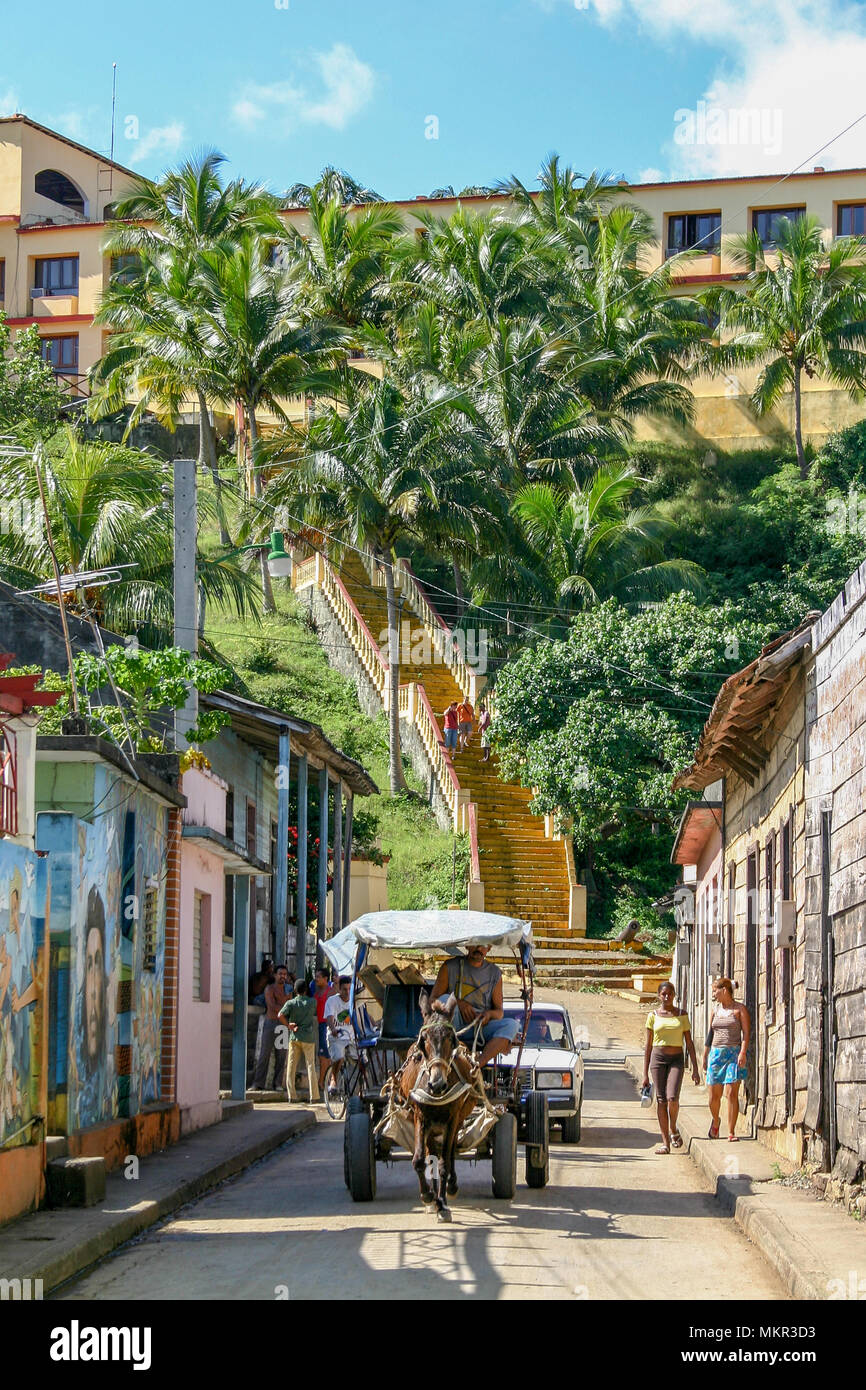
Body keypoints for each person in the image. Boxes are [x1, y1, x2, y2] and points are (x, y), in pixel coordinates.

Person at [429, 942, 518, 1067]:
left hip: (479, 1029)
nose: (479, 948)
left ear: (489, 948)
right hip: (451, 1027)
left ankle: (476, 1064)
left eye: (483, 945)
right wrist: (458, 1003)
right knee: (444, 999)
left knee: (512, 1025)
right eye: (475, 944)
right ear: (467, 945)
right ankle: (447, 1052)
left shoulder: (495, 973)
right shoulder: (450, 967)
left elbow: (499, 1013)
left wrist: (488, 1015)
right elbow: (433, 999)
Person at [642, 981, 700, 1154]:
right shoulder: (652, 1015)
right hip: (658, 1059)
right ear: (659, 995)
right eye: (663, 994)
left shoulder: (682, 1015)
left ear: (674, 995)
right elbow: (648, 1045)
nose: (666, 997)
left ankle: (673, 1128)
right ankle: (665, 1142)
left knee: (672, 1098)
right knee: (661, 1100)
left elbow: (689, 1043)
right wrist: (644, 1074)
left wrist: (695, 1069)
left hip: (676, 1059)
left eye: (670, 993)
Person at [703, 976, 751, 1141]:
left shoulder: (739, 1010)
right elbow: (710, 1035)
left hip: (733, 1054)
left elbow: (746, 1033)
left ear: (724, 990)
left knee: (731, 1094)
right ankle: (716, 1121)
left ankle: (731, 1132)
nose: (714, 994)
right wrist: (705, 1056)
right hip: (716, 1055)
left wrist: (743, 1052)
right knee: (713, 1097)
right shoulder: (715, 1011)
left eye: (715, 990)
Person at [279, 977, 320, 1103]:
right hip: (308, 1037)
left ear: (295, 990)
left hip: (294, 1036)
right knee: (310, 1066)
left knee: (291, 1066)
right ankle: (314, 1096)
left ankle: (292, 1096)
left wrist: (288, 1025)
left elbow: (280, 1015)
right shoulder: (312, 1002)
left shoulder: (291, 1003)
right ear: (306, 989)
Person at [252, 964, 292, 1091]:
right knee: (264, 1054)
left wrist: (284, 1009)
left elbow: (289, 1006)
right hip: (270, 1023)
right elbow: (272, 1006)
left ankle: (278, 1083)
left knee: (282, 1055)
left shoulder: (288, 990)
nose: (283, 977)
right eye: (280, 974)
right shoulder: (269, 988)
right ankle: (258, 1083)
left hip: (284, 1025)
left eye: (285, 974)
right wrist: (284, 1008)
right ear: (275, 975)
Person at [324, 976, 355, 1095]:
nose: (347, 992)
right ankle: (334, 1079)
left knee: (363, 1060)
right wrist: (333, 1029)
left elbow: (363, 1016)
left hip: (351, 1038)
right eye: (344, 989)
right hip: (337, 1037)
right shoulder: (332, 1001)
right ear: (339, 989)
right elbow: (329, 1018)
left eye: (349, 989)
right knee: (339, 1057)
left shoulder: (354, 1001)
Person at [313, 967, 336, 1090]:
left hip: (327, 1024)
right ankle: (323, 1081)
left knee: (326, 1056)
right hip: (320, 1024)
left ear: (325, 978)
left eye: (318, 977)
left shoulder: (330, 991)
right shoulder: (317, 991)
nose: (316, 979)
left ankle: (323, 1082)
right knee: (323, 1055)